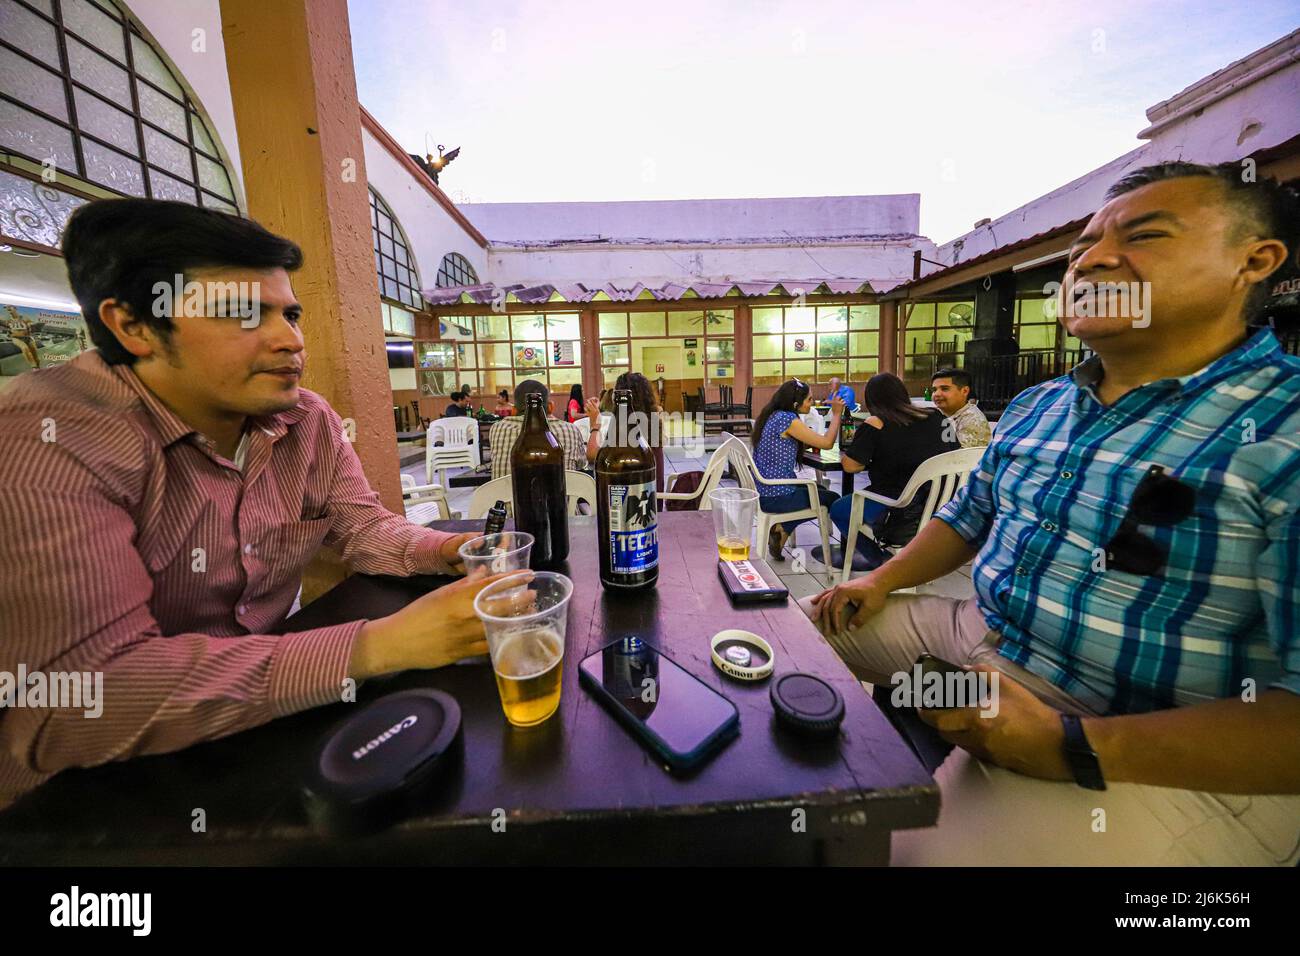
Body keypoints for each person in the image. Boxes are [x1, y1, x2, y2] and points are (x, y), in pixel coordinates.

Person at [804, 162, 1300, 865]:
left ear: (1254, 260)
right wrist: (878, 582)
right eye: (1080, 250)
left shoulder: (1283, 424)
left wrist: (1072, 745)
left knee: (919, 858)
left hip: (1150, 741)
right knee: (785, 642)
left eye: (1146, 235)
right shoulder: (1040, 405)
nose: (1093, 259)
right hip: (978, 640)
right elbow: (966, 517)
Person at [0, 198, 507, 806]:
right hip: (85, 800)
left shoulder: (305, 420)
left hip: (263, 734)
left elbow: (363, 529)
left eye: (290, 313)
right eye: (243, 314)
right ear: (132, 325)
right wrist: (385, 643)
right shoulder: (47, 440)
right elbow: (84, 697)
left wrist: (449, 548)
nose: (288, 339)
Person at [828, 372, 958, 554]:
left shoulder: (876, 422)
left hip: (898, 508)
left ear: (872, 400)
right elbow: (955, 453)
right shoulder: (938, 417)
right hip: (941, 504)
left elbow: (850, 465)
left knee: (840, 509)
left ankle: (880, 561)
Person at [751, 378, 843, 560]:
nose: (812, 403)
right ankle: (849, 547)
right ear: (795, 403)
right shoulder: (788, 419)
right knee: (833, 499)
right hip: (778, 496)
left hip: (766, 491)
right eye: (809, 400)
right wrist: (837, 414)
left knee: (819, 491)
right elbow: (826, 443)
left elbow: (783, 445)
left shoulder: (772, 415)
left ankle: (781, 529)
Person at [487, 379, 587, 481]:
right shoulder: (570, 430)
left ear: (514, 410)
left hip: (503, 496)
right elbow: (581, 464)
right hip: (560, 495)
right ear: (550, 407)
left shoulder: (496, 428)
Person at [930, 367, 991, 447]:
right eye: (934, 390)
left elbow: (961, 458)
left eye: (944, 389)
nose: (937, 394)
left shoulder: (972, 420)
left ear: (964, 391)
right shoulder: (938, 414)